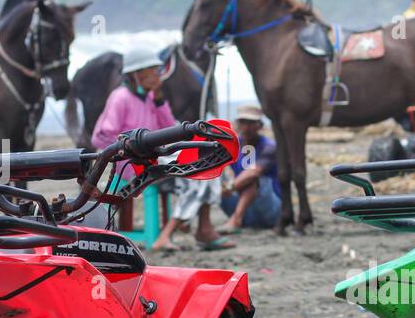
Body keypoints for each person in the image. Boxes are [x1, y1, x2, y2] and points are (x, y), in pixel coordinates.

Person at [93, 48, 232, 250]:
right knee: (197, 176)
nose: (157, 76)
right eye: (152, 70)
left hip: (154, 160)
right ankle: (171, 233)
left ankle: (202, 227)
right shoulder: (120, 97)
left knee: (206, 168)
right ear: (135, 74)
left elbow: (170, 130)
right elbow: (103, 136)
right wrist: (131, 152)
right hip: (132, 166)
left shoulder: (150, 99)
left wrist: (159, 101)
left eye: (157, 70)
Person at [217, 104, 282, 233]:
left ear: (260, 125)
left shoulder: (269, 147)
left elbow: (254, 172)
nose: (246, 127)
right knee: (211, 177)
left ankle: (236, 220)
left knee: (252, 178)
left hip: (269, 209)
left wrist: (230, 187)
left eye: (251, 123)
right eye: (243, 122)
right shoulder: (233, 145)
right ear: (238, 124)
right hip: (246, 211)